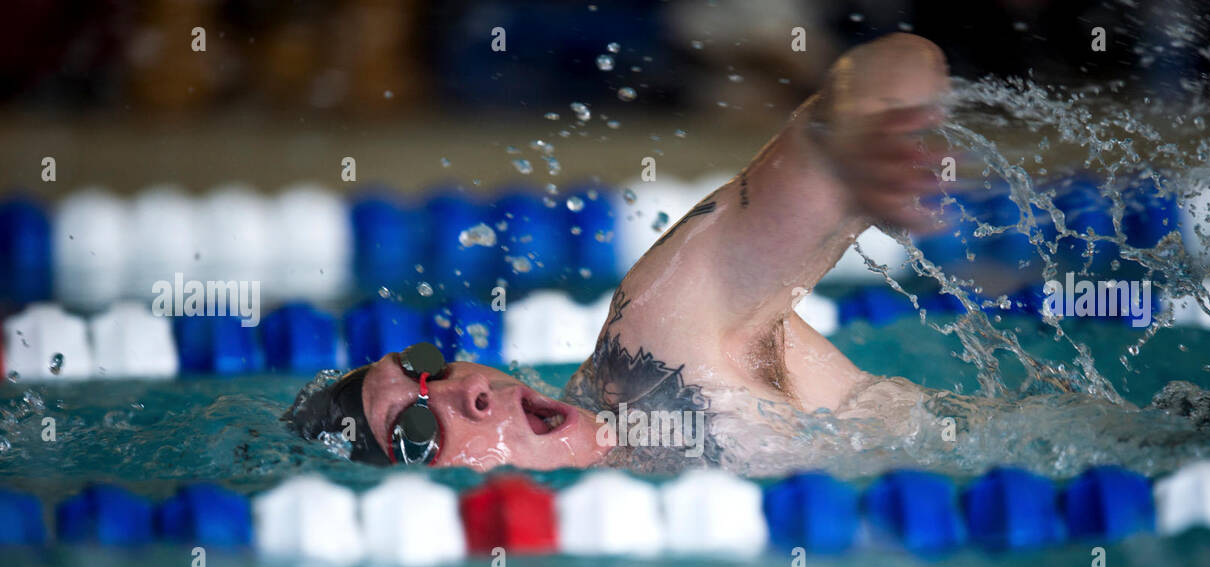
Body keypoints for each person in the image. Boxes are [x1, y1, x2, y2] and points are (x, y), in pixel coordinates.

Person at [287, 34, 954, 472]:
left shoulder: (658, 353)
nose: (473, 393)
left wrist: (866, 129)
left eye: (426, 366)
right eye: (418, 432)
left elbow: (880, 78)